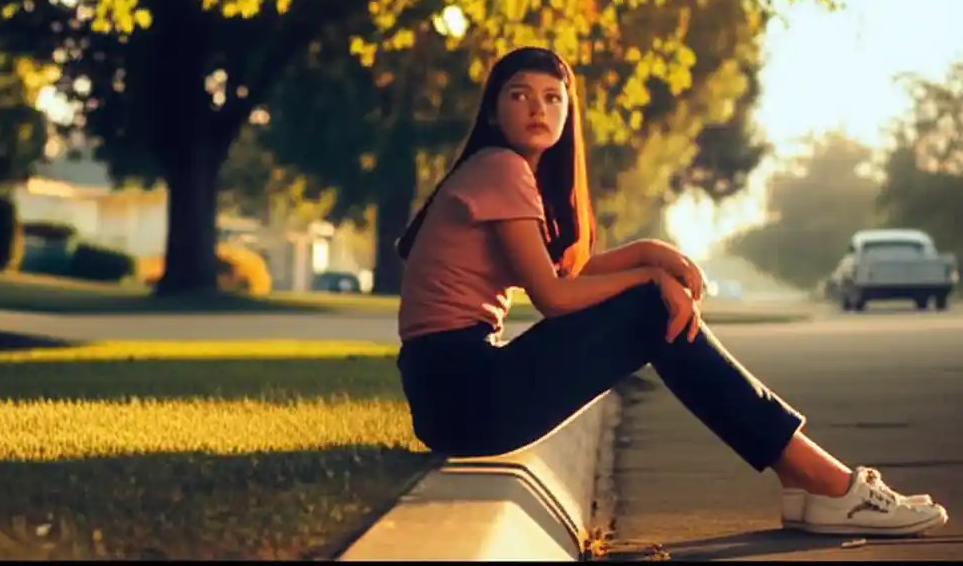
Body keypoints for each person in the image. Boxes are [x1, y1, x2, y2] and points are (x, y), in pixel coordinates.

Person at [394, 46, 947, 536]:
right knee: (650, 307)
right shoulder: (502, 169)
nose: (538, 108)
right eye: (520, 96)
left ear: (567, 113)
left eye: (552, 98)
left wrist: (647, 253)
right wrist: (650, 279)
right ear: (494, 111)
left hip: (454, 396)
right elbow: (554, 297)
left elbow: (568, 271)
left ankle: (808, 482)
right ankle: (826, 483)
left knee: (649, 303)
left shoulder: (502, 172)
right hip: (465, 393)